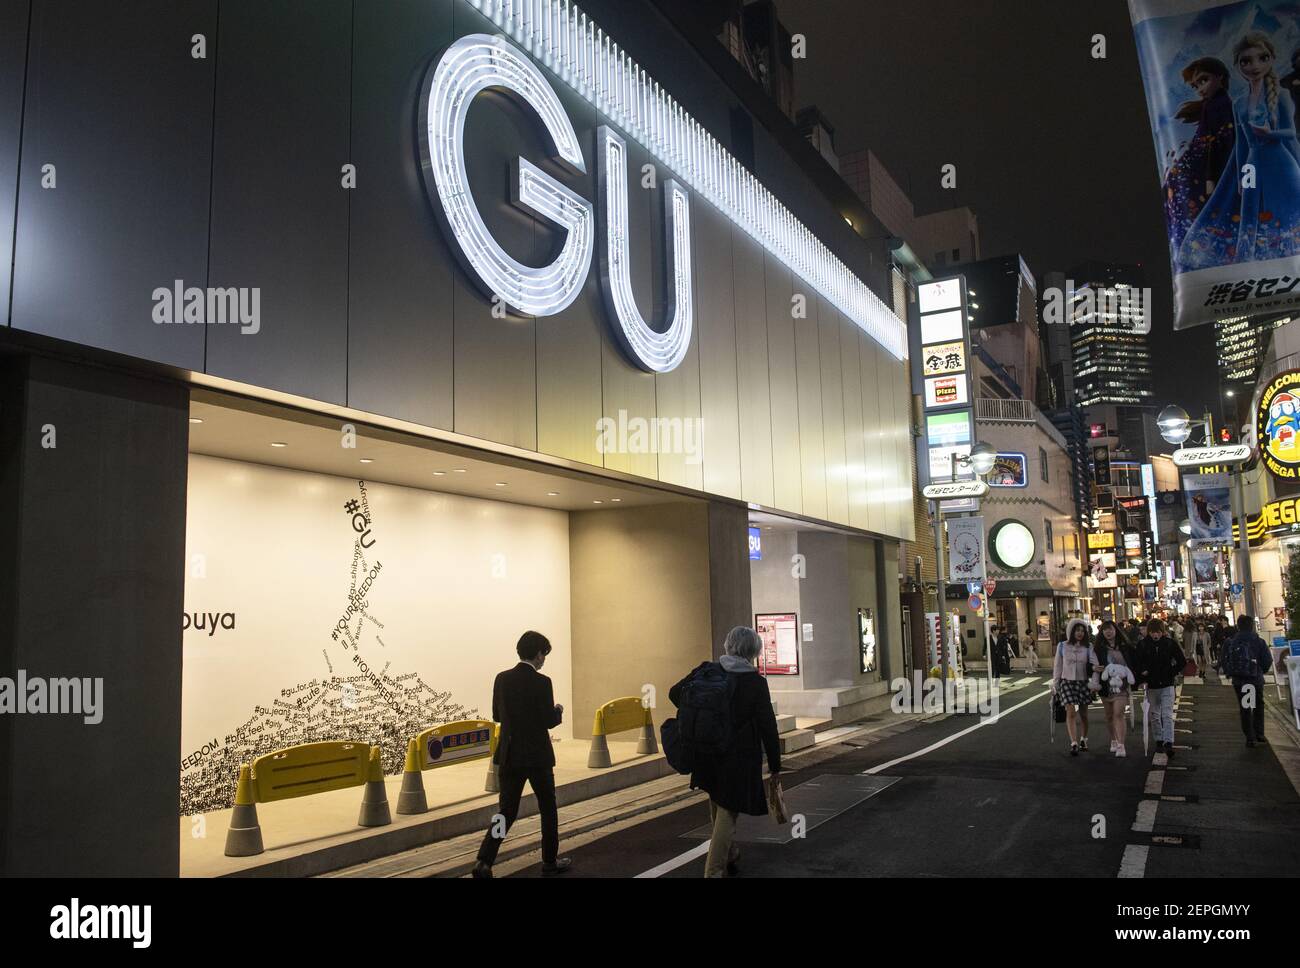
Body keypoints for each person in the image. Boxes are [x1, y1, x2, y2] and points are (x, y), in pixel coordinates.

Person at [1179, 33, 1300, 271]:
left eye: (1261, 58)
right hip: (1253, 164)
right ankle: (1245, 269)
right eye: (1246, 61)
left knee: (1289, 214)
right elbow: (1242, 146)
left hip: (1282, 164)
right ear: (1237, 66)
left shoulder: (1282, 95)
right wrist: (1243, 179)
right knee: (1249, 218)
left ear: (1272, 59)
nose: (1254, 66)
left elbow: (1290, 133)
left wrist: (1269, 134)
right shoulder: (1239, 103)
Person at [669, 626, 781, 878]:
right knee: (728, 810)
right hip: (737, 757)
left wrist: (700, 712)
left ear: (728, 645)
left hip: (705, 751)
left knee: (718, 799)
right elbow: (767, 726)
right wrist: (775, 765)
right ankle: (714, 870)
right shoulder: (755, 682)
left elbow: (674, 693)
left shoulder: (707, 670)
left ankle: (729, 853)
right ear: (753, 652)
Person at [472, 631, 570, 878]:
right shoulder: (542, 682)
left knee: (506, 812)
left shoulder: (502, 679)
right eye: (544, 654)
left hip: (510, 755)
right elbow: (548, 720)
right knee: (548, 809)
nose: (543, 660)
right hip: (538, 757)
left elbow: (496, 715)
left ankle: (484, 861)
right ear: (538, 654)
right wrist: (557, 711)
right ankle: (549, 861)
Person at [1135, 618, 1186, 759]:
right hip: (1151, 685)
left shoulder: (1169, 644)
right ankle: (1159, 739)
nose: (1155, 635)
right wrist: (1142, 676)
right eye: (1152, 632)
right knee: (1155, 715)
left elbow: (1181, 661)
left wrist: (1171, 672)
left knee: (1167, 714)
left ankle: (1168, 742)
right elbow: (1137, 663)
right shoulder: (1143, 645)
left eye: (1157, 632)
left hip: (1167, 684)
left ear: (1162, 632)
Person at [1221, 614, 1273, 747]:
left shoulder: (1233, 641)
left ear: (1238, 626)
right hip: (1255, 679)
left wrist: (1229, 673)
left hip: (1240, 680)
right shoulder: (1258, 641)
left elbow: (1224, 659)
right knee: (1257, 706)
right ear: (1251, 626)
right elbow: (1267, 660)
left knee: (1245, 707)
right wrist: (1261, 671)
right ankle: (1259, 733)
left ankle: (1249, 736)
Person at [1053, 618, 1095, 757]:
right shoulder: (1062, 646)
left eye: (1082, 631)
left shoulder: (1088, 646)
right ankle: (1074, 743)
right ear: (1071, 631)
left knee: (1083, 714)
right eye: (1077, 630)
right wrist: (1056, 683)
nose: (1080, 633)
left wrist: (1095, 680)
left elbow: (1094, 664)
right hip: (1066, 682)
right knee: (1070, 712)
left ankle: (1084, 739)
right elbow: (1057, 666)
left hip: (1083, 682)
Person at [1094, 621, 1135, 757]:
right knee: (1109, 715)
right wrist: (1094, 669)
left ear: (1115, 630)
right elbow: (1091, 665)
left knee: (1119, 713)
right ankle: (1113, 739)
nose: (1108, 632)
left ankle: (1121, 744)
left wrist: (1138, 680)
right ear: (1102, 632)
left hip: (1122, 686)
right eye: (1105, 630)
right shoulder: (1099, 649)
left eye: (1110, 629)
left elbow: (1133, 663)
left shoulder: (1125, 646)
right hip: (1106, 686)